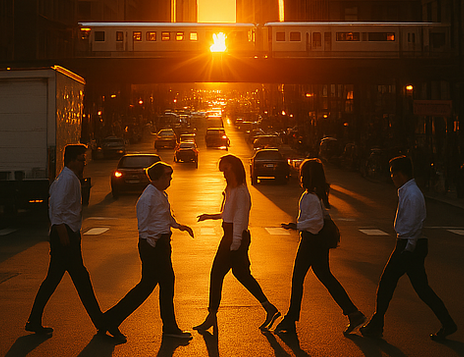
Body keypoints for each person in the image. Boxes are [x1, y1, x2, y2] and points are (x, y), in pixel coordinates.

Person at [25, 144, 120, 341]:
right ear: (71, 160)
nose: (84, 163)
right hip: (65, 236)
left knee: (56, 280)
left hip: (68, 234)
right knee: (81, 280)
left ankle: (34, 320)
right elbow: (56, 206)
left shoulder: (69, 178)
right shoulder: (66, 179)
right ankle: (101, 324)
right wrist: (62, 231)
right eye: (81, 159)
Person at [361, 154, 457, 342]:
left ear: (400, 174)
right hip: (411, 244)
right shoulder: (409, 191)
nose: (391, 177)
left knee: (387, 282)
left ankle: (377, 323)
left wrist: (408, 250)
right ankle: (447, 322)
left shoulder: (412, 194)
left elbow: (415, 225)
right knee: (422, 288)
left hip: (409, 245)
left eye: (392, 173)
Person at [101, 160, 195, 339]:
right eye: (168, 175)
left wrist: (179, 226)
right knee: (153, 285)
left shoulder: (160, 194)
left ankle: (111, 319)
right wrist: (154, 245)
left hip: (160, 244)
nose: (171, 178)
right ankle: (167, 328)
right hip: (154, 246)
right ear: (157, 177)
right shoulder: (148, 197)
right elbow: (143, 225)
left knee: (156, 285)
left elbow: (164, 216)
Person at [275, 157, 364, 340]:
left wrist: (297, 226)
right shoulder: (318, 195)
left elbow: (315, 223)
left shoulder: (310, 197)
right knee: (326, 277)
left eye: (301, 174)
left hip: (311, 242)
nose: (299, 177)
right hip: (317, 242)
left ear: (306, 176)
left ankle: (291, 319)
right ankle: (353, 313)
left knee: (298, 278)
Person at [193, 154, 280, 334]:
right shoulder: (231, 189)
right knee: (242, 274)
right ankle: (269, 307)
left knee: (216, 274)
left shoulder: (240, 191)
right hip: (231, 235)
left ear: (234, 168)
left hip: (234, 237)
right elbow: (227, 214)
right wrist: (210, 216)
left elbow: (240, 218)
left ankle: (211, 315)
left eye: (226, 169)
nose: (223, 173)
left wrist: (235, 243)